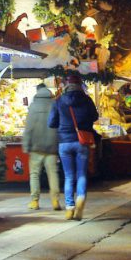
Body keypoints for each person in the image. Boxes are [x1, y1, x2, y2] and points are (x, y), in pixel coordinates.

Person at [48, 71, 99, 220]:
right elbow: (95, 117)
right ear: (80, 85)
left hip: (64, 142)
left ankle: (70, 207)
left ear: (67, 85)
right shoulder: (87, 99)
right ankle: (81, 197)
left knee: (69, 176)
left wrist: (63, 124)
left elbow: (51, 123)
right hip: (82, 141)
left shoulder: (59, 100)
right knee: (81, 174)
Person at [20, 78, 61, 211]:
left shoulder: (33, 106)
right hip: (52, 146)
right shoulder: (54, 105)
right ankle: (55, 201)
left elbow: (29, 127)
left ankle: (35, 201)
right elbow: (59, 125)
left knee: (34, 174)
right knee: (52, 174)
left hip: (36, 147)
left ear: (37, 92)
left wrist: (26, 145)